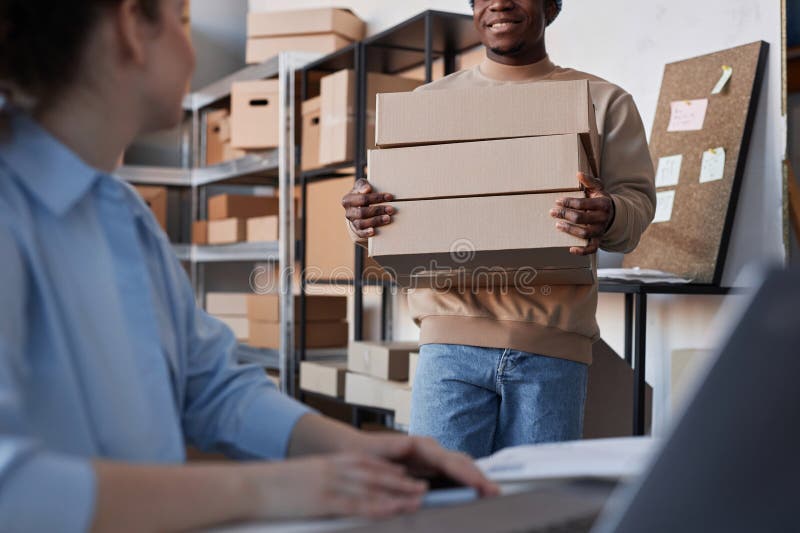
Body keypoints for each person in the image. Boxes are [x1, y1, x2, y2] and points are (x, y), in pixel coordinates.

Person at [0, 1, 499, 531]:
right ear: (129, 27)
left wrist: (365, 451)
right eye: (179, 18)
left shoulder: (124, 217)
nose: (190, 51)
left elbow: (213, 388)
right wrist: (274, 489)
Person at [343, 0, 656, 458]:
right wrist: (361, 218)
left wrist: (609, 213)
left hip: (552, 351)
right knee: (441, 496)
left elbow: (637, 205)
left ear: (551, 6)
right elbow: (392, 206)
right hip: (449, 345)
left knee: (534, 501)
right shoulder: (427, 105)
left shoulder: (604, 101)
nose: (499, 3)